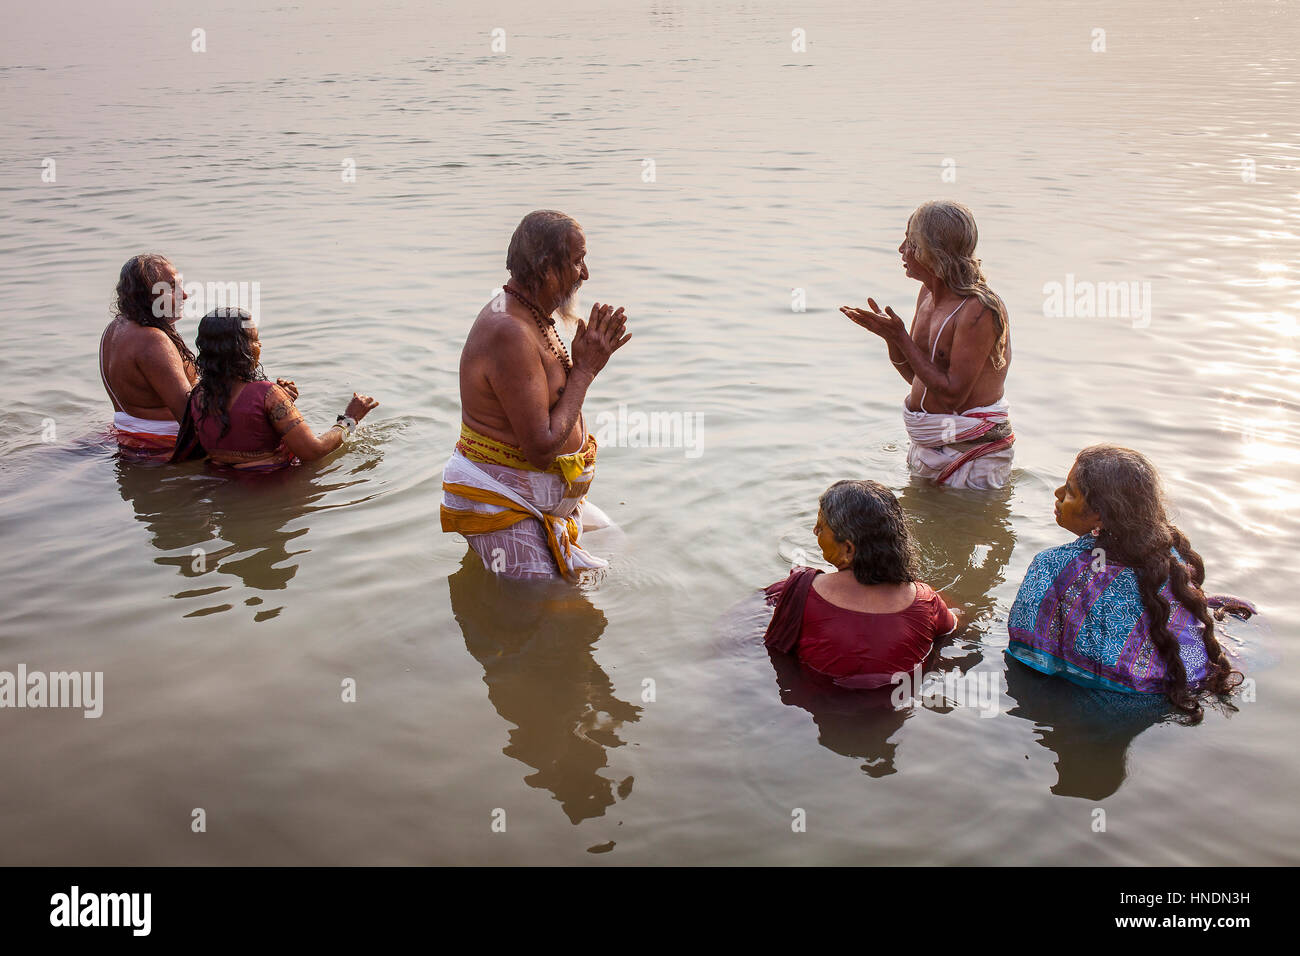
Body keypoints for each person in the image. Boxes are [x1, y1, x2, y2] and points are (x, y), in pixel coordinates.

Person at [441, 210, 631, 580]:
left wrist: (582, 365)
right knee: (550, 607)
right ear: (547, 269)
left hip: (542, 501)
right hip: (503, 504)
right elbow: (541, 449)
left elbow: (550, 406)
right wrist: (587, 371)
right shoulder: (509, 331)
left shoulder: (534, 317)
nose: (586, 274)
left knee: (616, 541)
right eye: (578, 261)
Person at [1005, 444, 1242, 723]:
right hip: (1176, 690)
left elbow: (1024, 654)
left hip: (1100, 706)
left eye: (1070, 492)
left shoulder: (1051, 565)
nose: (1057, 494)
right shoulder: (1171, 558)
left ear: (1100, 515)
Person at [841, 200, 1014, 489]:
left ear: (932, 253)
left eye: (910, 242)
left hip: (973, 455)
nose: (901, 250)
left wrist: (901, 338)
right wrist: (891, 339)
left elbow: (953, 396)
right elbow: (917, 377)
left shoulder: (978, 310)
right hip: (930, 448)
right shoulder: (927, 294)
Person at [763, 479, 960, 689]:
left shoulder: (800, 590)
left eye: (821, 527)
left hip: (814, 703)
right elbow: (952, 628)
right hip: (895, 710)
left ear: (848, 549)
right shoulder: (926, 600)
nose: (814, 531)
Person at [184, 308, 378, 471]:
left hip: (222, 484)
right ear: (240, 349)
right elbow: (313, 452)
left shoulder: (198, 394)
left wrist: (283, 404)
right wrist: (350, 419)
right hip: (271, 484)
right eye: (255, 340)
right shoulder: (267, 394)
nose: (260, 345)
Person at [99, 254, 197, 462]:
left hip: (130, 436)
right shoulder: (153, 340)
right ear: (148, 295)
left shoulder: (116, 327)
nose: (185, 295)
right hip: (161, 446)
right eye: (172, 287)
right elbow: (191, 419)